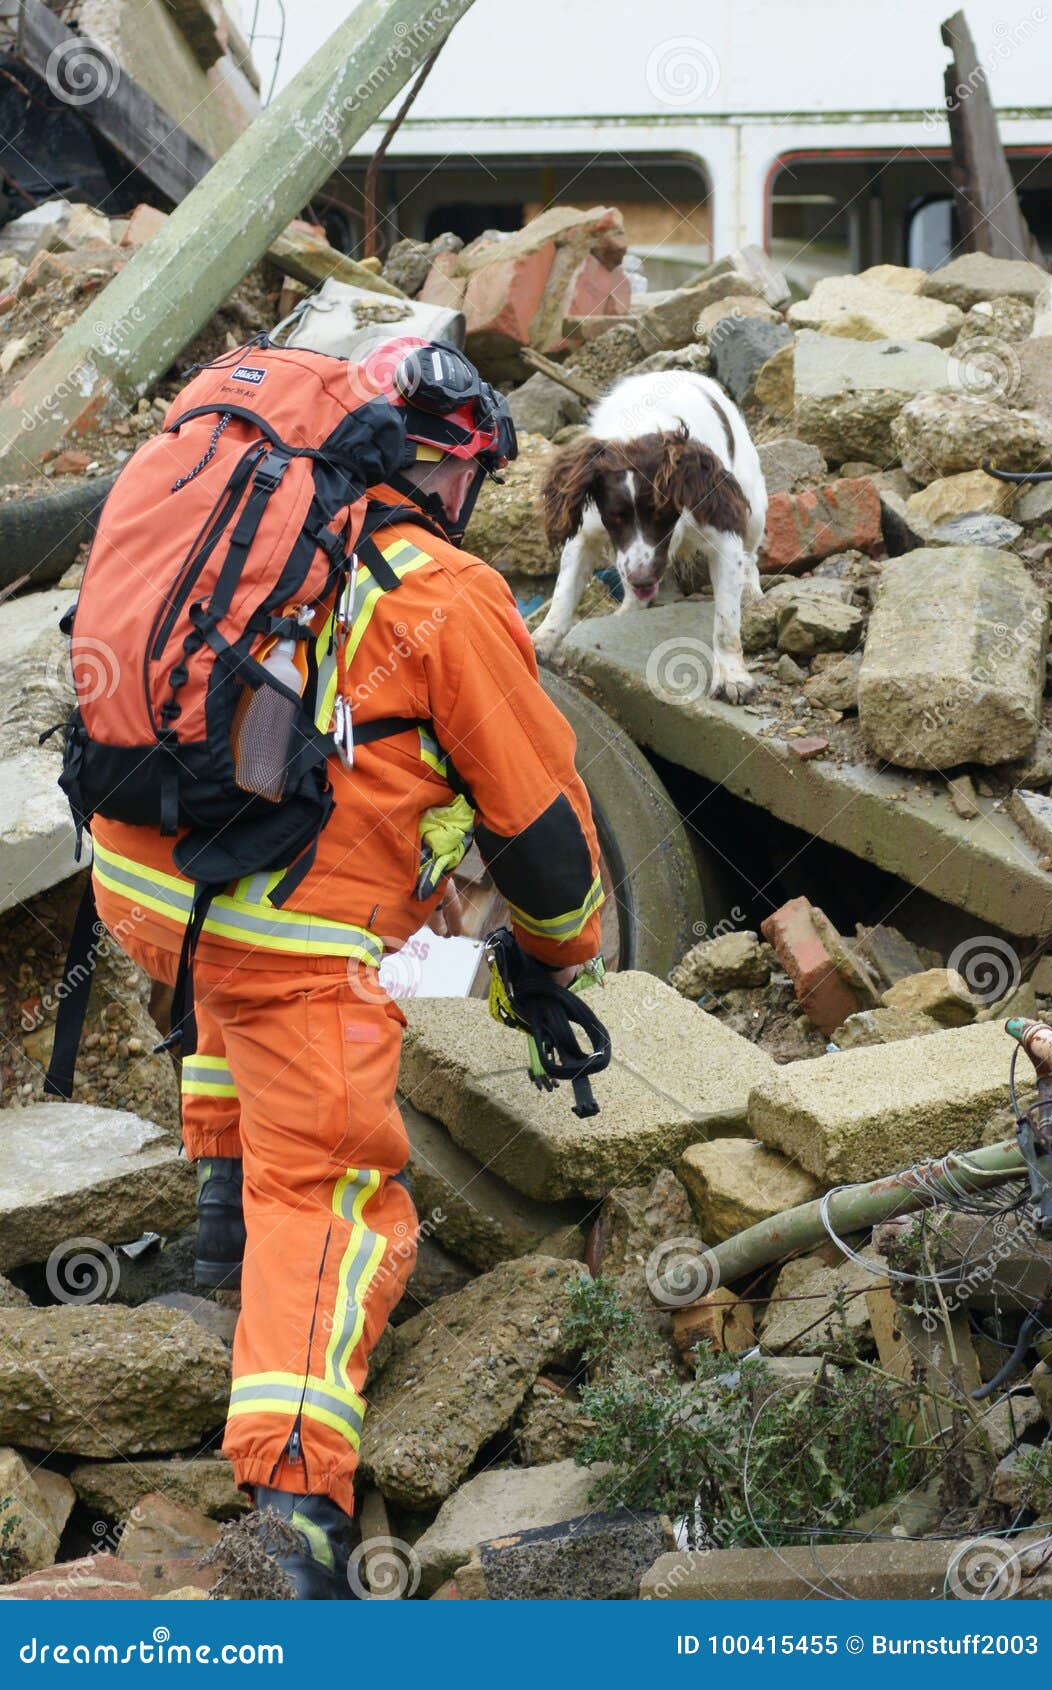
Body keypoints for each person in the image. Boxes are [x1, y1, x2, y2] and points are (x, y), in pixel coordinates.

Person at [89, 338, 603, 1598]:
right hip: (282, 931)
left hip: (140, 881)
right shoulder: (443, 591)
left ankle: (218, 1242)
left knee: (229, 999)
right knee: (327, 1195)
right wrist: (555, 954)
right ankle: (294, 1514)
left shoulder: (243, 517)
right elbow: (542, 842)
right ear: (453, 471)